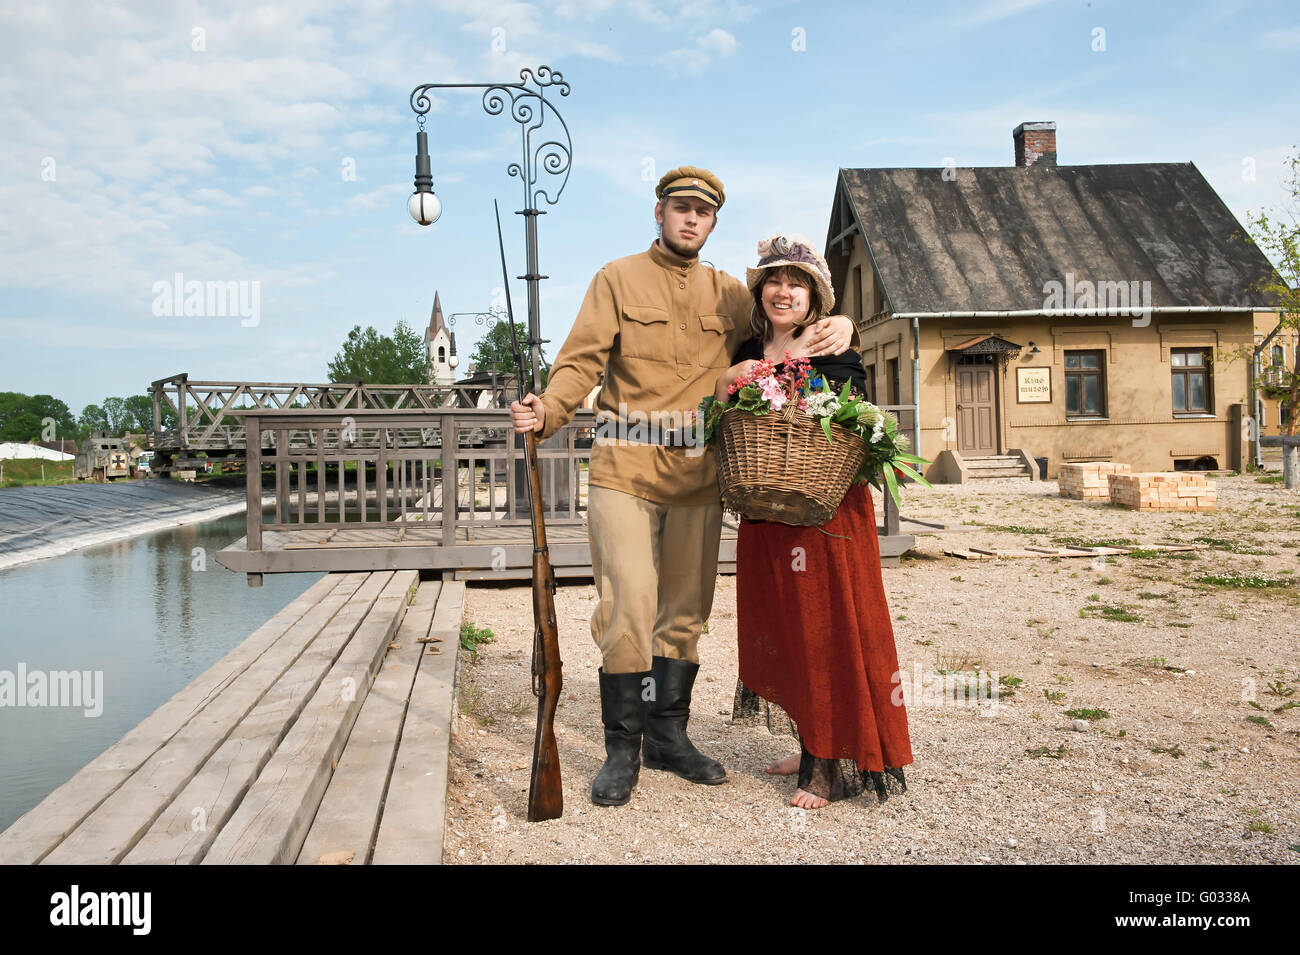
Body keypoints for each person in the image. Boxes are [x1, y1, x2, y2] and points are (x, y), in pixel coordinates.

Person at [511, 168, 858, 807]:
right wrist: (550, 409)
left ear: (714, 222)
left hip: (699, 474)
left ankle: (669, 736)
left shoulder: (731, 295)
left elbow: (783, 332)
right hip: (625, 469)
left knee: (685, 612)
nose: (691, 219)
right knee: (630, 604)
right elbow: (581, 361)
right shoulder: (616, 279)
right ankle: (623, 748)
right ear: (659, 213)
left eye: (703, 212)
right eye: (680, 208)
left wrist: (843, 328)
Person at [714, 234, 913, 809]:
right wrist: (740, 374)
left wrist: (821, 342)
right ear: (760, 291)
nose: (783, 291)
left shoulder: (833, 344)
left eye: (796, 283)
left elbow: (843, 417)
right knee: (784, 625)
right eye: (774, 281)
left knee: (826, 626)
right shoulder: (749, 343)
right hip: (767, 506)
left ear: (815, 296)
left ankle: (828, 767)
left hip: (824, 509)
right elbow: (726, 403)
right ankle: (810, 742)